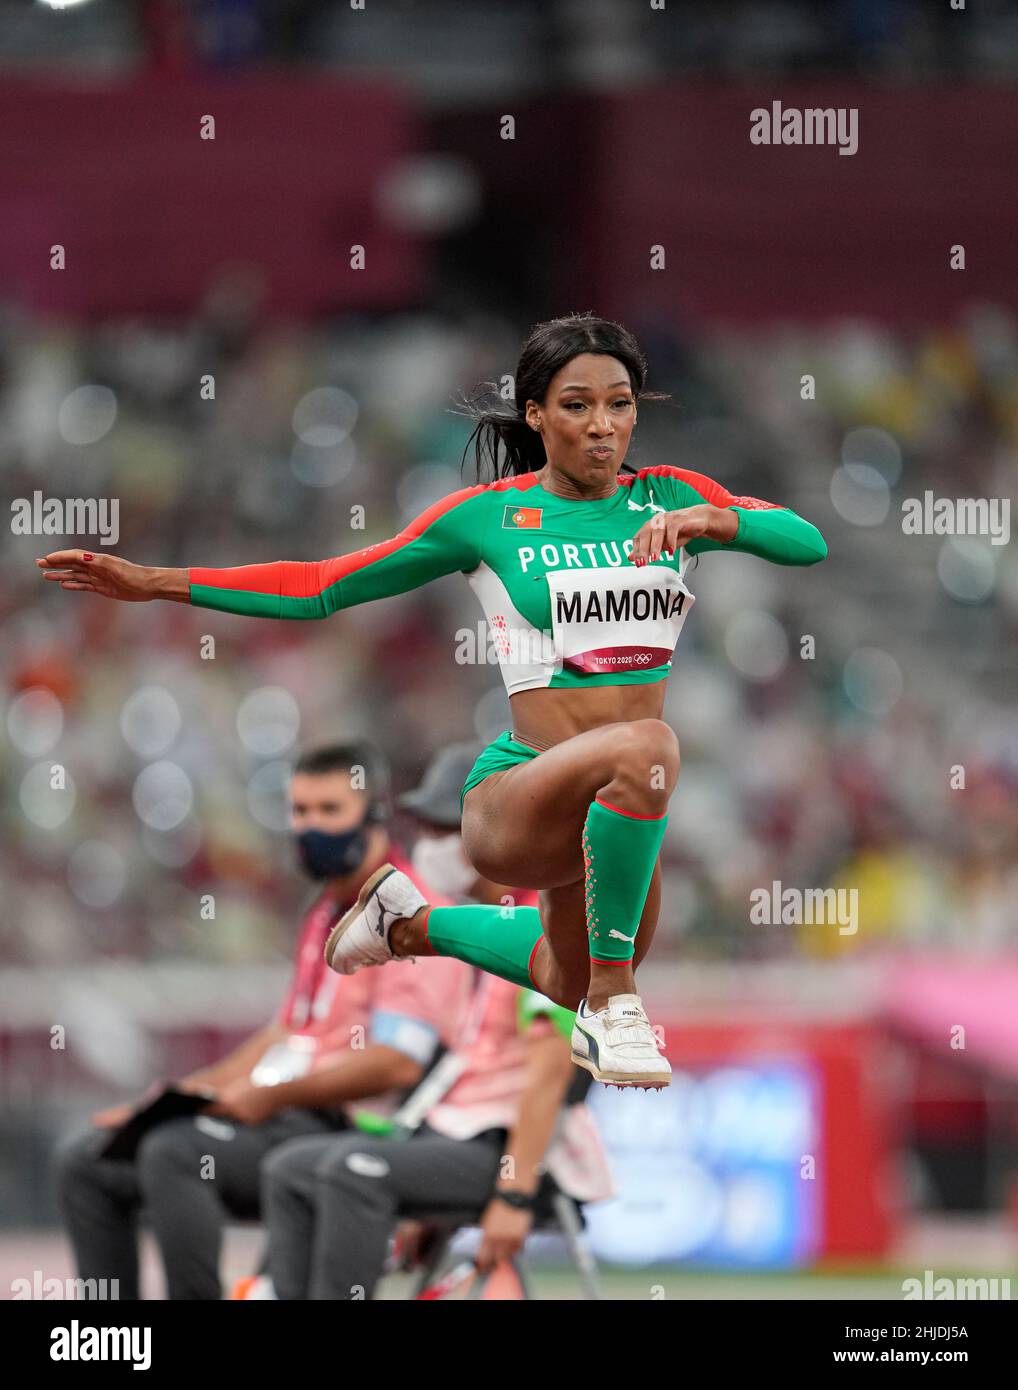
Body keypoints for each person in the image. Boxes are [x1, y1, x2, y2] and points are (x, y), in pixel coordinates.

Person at [37, 311, 827, 1089]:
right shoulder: (487, 518)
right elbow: (319, 589)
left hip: (613, 811)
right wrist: (157, 583)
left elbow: (806, 540)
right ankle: (617, 1009)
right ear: (536, 414)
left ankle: (410, 922)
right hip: (521, 795)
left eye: (619, 404)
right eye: (578, 405)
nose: (602, 426)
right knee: (651, 750)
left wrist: (717, 519)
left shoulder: (671, 495)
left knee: (563, 972)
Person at [54, 743, 471, 1299]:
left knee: (175, 1152)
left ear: (374, 813)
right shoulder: (324, 910)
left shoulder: (411, 912)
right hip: (284, 1112)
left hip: (345, 1127)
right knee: (88, 1158)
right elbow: (287, 1032)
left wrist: (271, 1097)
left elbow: (397, 1064)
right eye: (300, 811)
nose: (310, 826)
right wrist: (184, 1094)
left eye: (329, 810)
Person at [259, 742, 611, 1300]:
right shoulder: (484, 929)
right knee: (291, 1169)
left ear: (504, 833)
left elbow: (550, 1073)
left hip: (512, 1153)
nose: (431, 845)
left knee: (353, 1167)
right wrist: (422, 1172)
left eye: (448, 828)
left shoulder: (545, 928)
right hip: (462, 1139)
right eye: (426, 827)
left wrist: (513, 1195)